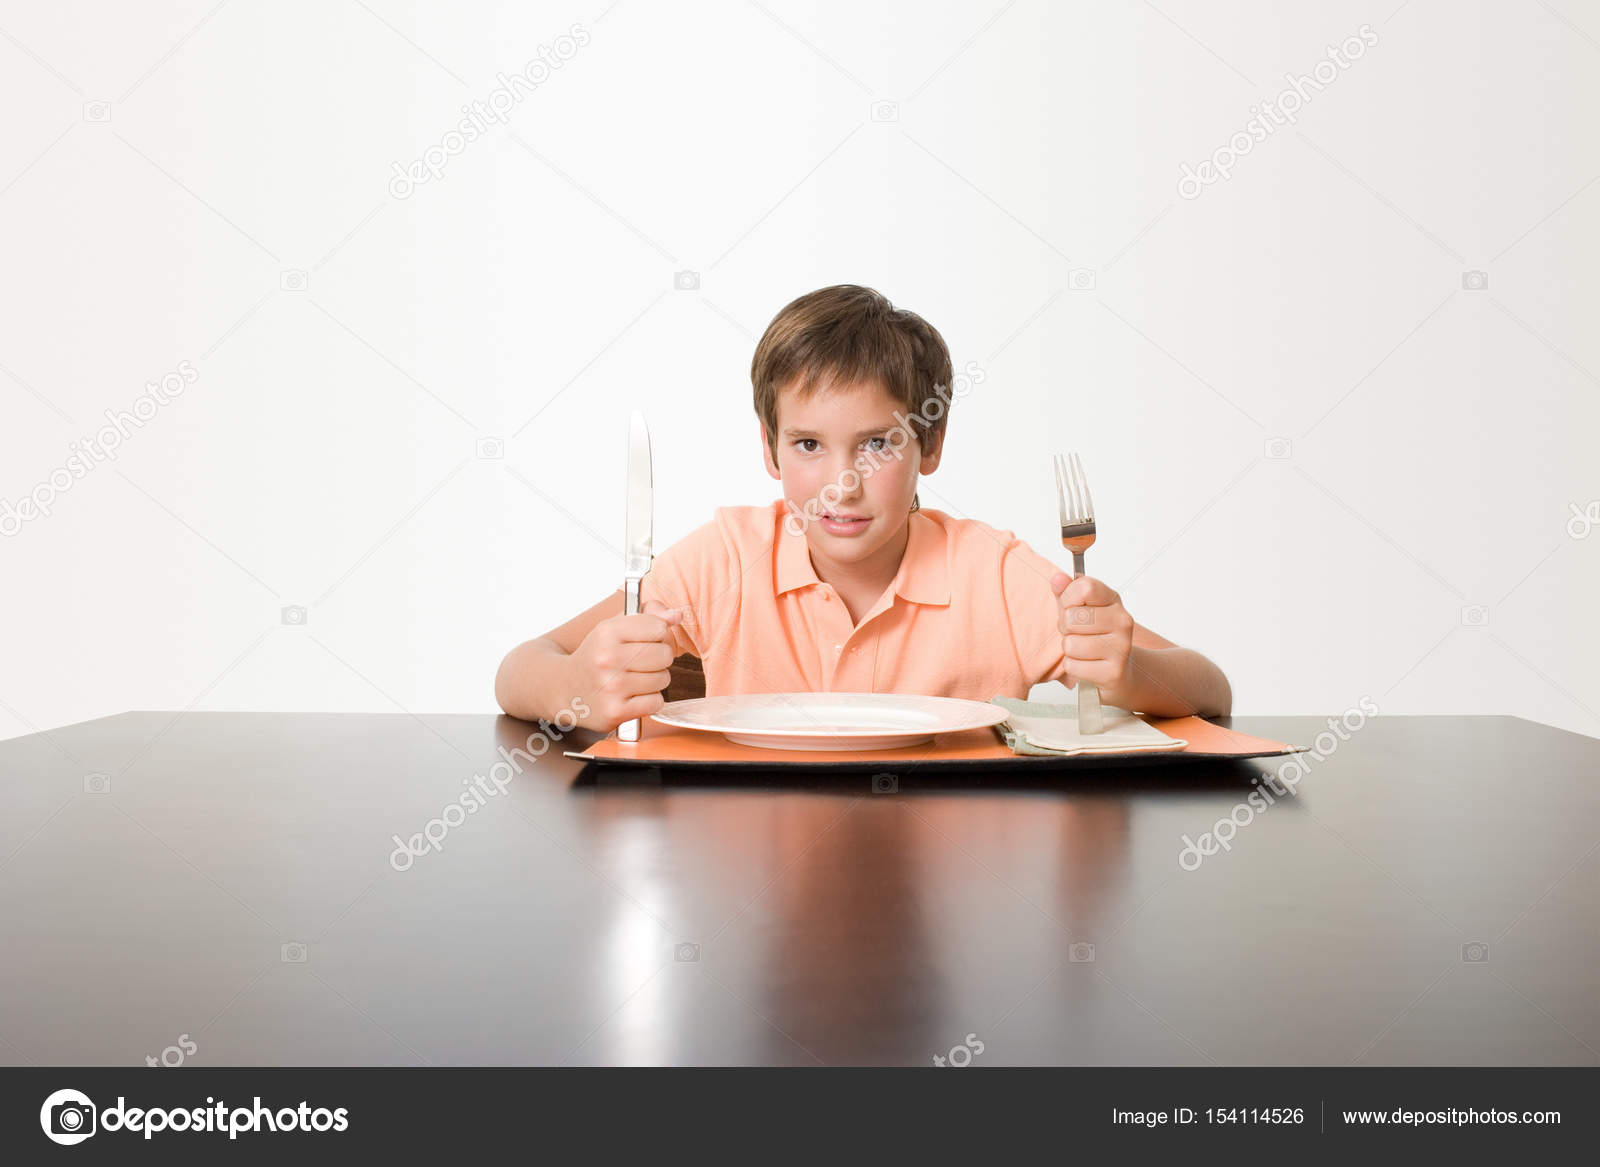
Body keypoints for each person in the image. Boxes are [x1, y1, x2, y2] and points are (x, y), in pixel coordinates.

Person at [495, 285, 1231, 732]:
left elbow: (1209, 687)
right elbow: (521, 667)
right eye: (809, 443)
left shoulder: (994, 573)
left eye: (878, 443)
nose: (841, 483)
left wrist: (1126, 671)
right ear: (770, 448)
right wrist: (575, 688)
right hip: (754, 857)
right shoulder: (724, 559)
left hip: (951, 860)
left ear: (930, 443)